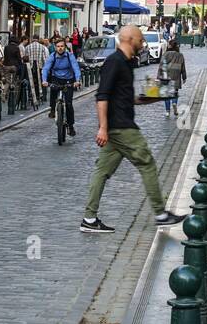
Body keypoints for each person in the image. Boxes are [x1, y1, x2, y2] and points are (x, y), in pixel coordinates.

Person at [80, 24, 186, 233]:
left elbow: (128, 99)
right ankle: (161, 214)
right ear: (129, 39)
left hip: (117, 127)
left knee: (102, 171)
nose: (143, 43)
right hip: (121, 127)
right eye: (140, 39)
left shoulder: (127, 63)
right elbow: (102, 96)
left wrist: (154, 96)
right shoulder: (114, 62)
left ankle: (89, 219)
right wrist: (103, 127)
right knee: (147, 163)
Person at [42, 38, 82, 136]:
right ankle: (52, 109)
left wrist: (77, 80)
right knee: (53, 93)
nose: (60, 48)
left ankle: (71, 126)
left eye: (62, 46)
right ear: (55, 47)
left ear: (65, 47)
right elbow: (46, 68)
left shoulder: (70, 56)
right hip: (56, 79)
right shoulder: (52, 56)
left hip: (68, 80)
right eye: (58, 46)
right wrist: (44, 80)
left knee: (68, 104)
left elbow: (76, 68)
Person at [158, 39, 187, 118]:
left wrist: (159, 76)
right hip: (176, 74)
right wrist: (184, 77)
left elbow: (161, 65)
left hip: (166, 74)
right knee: (175, 92)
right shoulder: (180, 55)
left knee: (166, 93)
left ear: (169, 45)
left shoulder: (165, 54)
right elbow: (183, 67)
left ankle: (167, 111)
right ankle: (174, 103)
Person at [23, 34, 48, 105]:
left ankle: (31, 96)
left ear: (33, 39)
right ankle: (40, 95)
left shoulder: (27, 47)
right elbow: (44, 59)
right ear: (38, 39)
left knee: (31, 82)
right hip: (39, 67)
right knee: (40, 81)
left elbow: (25, 58)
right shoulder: (42, 47)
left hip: (30, 67)